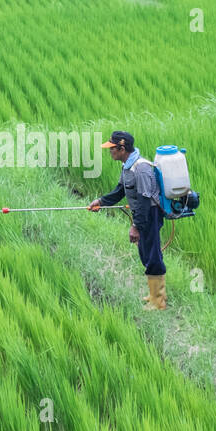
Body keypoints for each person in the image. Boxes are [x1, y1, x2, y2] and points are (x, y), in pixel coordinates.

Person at [87, 131, 167, 310]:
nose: (110, 152)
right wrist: (101, 202)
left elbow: (145, 200)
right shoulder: (127, 167)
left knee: (152, 254)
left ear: (122, 149)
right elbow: (120, 191)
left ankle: (158, 301)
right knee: (145, 253)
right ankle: (154, 295)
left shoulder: (141, 168)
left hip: (150, 214)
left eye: (112, 149)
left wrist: (136, 226)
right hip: (143, 213)